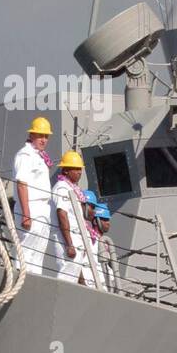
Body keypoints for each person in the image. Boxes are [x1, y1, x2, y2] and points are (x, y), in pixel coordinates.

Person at [12, 117, 53, 277]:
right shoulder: (25, 155)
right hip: (31, 206)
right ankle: (23, 280)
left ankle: (35, 282)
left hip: (43, 207)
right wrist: (26, 213)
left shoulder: (39, 156)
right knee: (27, 249)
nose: (43, 140)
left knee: (39, 251)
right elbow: (22, 183)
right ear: (32, 135)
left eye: (46, 136)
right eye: (40, 136)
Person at [50, 151, 92, 284]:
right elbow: (62, 214)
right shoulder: (62, 188)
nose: (79, 172)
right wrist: (69, 244)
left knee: (74, 276)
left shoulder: (72, 189)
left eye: (80, 169)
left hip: (77, 239)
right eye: (75, 169)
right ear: (66, 170)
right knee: (67, 276)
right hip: (68, 239)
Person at [93, 201, 119, 292]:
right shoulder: (92, 240)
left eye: (108, 219)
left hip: (110, 282)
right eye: (104, 219)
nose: (108, 222)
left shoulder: (104, 240)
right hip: (100, 283)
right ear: (96, 221)